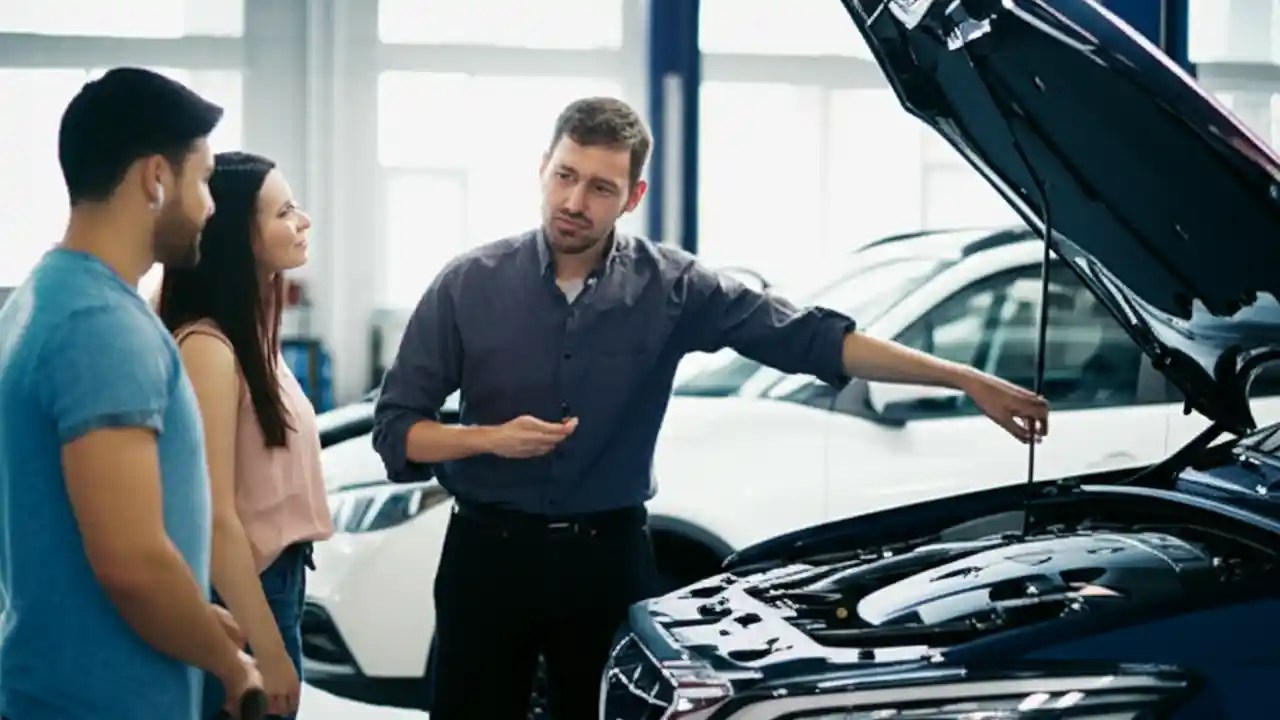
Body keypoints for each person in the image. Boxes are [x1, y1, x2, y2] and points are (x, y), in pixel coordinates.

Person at [371, 96, 1050, 720]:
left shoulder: (673, 288)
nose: (575, 200)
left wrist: (963, 378)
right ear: (542, 169)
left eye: (600, 187)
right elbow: (397, 431)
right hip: (488, 558)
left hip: (606, 565)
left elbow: (813, 339)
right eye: (565, 175)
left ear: (632, 196)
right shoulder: (467, 284)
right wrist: (488, 439)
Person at [0, 68, 263, 720]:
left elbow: (72, 531)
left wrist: (193, 615)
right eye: (202, 180)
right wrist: (230, 663)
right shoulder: (102, 325)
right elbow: (130, 560)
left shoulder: (42, 299)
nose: (209, 205)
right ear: (155, 178)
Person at [157, 151, 334, 720]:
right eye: (284, 212)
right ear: (239, 236)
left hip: (276, 586)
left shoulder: (254, 340)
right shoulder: (208, 349)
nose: (303, 221)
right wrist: (268, 649)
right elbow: (216, 518)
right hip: (243, 595)